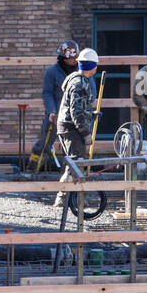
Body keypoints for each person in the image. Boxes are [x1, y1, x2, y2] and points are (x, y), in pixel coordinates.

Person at [54, 47, 100, 204]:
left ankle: (70, 198)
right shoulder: (79, 83)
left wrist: (90, 114)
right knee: (76, 162)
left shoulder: (78, 80)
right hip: (71, 128)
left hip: (67, 125)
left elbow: (78, 108)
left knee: (73, 163)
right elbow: (75, 112)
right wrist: (86, 132)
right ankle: (67, 198)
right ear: (92, 66)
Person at [29, 40, 78, 168]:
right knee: (45, 142)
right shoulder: (52, 72)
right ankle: (33, 167)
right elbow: (47, 93)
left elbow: (91, 91)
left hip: (75, 114)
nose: (74, 60)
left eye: (75, 57)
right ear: (63, 58)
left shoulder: (80, 71)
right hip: (56, 113)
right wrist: (52, 111)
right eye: (71, 58)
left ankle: (72, 171)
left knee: (73, 144)